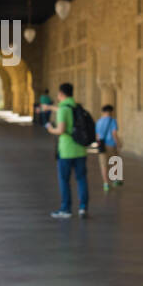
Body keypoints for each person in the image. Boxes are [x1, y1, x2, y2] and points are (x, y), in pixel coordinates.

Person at [46, 82, 89, 218]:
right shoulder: (77, 106)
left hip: (66, 151)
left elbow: (61, 130)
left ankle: (66, 209)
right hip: (81, 150)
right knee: (81, 179)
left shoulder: (63, 109)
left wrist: (50, 129)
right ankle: (83, 208)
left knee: (64, 180)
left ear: (61, 94)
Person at [95, 105, 123, 192]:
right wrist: (118, 143)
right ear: (111, 112)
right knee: (114, 162)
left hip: (102, 145)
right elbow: (114, 133)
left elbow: (97, 136)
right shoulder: (113, 121)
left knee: (103, 165)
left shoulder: (98, 122)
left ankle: (106, 183)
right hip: (111, 145)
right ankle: (115, 180)